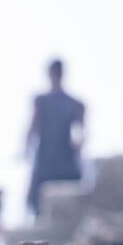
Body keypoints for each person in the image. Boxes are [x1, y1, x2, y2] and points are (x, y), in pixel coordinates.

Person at [25, 59, 85, 219]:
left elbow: (80, 135)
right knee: (43, 211)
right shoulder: (44, 102)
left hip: (60, 165)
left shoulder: (73, 104)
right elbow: (33, 129)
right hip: (50, 164)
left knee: (60, 212)